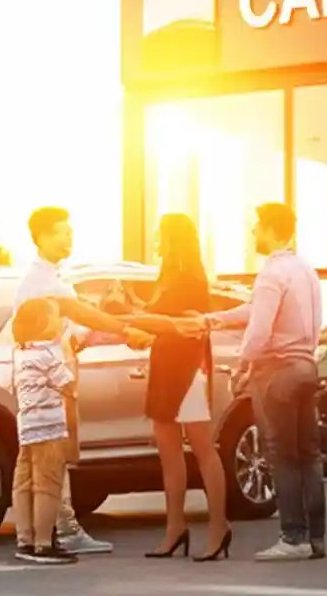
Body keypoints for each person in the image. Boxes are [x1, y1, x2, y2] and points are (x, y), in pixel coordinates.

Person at [184, 203, 325, 562]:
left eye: (256, 227)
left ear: (271, 230)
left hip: (276, 372)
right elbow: (254, 311)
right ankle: (315, 539)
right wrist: (214, 319)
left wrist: (243, 366)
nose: (252, 234)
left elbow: (259, 328)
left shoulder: (271, 273)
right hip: (306, 368)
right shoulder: (305, 270)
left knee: (281, 456)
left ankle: (293, 538)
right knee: (308, 455)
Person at [15, 206, 155, 555]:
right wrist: (125, 329)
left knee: (34, 464)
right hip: (51, 381)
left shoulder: (50, 278)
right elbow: (82, 314)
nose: (68, 236)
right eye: (61, 231)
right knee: (52, 458)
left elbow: (77, 325)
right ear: (41, 236)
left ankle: (35, 535)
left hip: (38, 382)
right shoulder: (43, 281)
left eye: (69, 230)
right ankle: (58, 533)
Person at [111, 214, 232, 562]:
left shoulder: (190, 280)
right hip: (164, 365)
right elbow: (155, 323)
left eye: (160, 235)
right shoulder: (165, 277)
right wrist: (136, 323)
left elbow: (166, 321)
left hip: (187, 370)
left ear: (174, 239)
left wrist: (126, 312)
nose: (155, 240)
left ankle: (218, 526)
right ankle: (174, 528)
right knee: (168, 451)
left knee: (202, 447)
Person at [10, 298, 79, 565]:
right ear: (41, 324)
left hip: (27, 428)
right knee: (48, 485)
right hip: (49, 428)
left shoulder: (21, 353)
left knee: (24, 483)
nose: (59, 322)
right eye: (54, 317)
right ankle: (44, 543)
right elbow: (68, 385)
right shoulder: (47, 356)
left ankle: (24, 540)